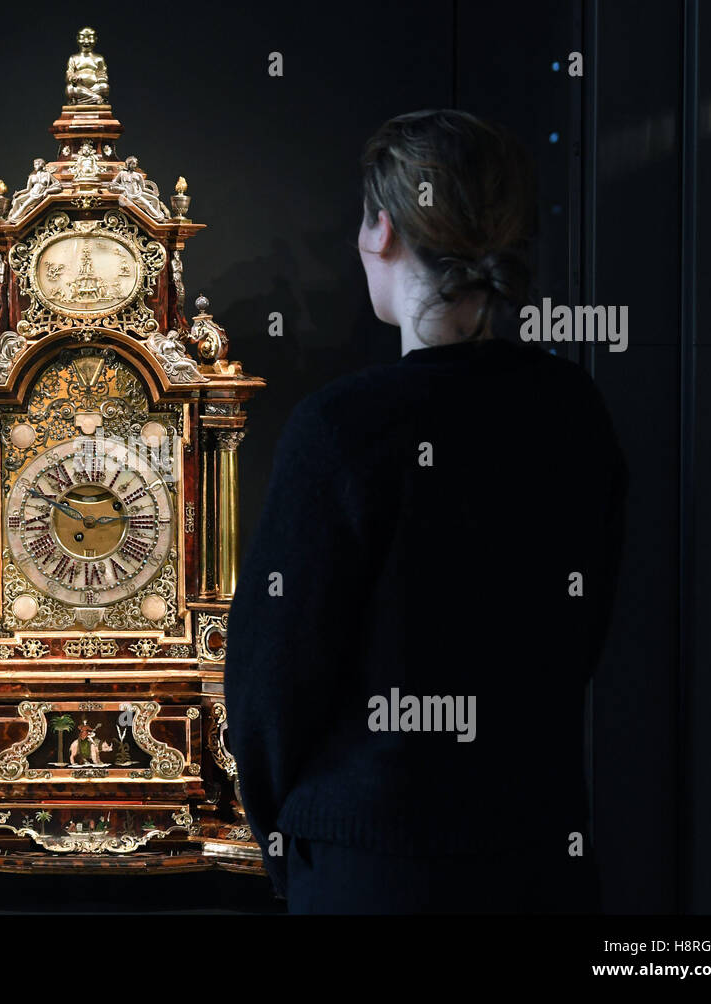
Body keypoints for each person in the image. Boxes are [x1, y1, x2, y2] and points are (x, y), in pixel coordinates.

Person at [223, 109, 627, 914]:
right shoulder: (574, 412)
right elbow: (578, 642)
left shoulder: (339, 429)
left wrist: (292, 840)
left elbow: (269, 684)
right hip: (538, 862)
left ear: (382, 231)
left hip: (366, 868)